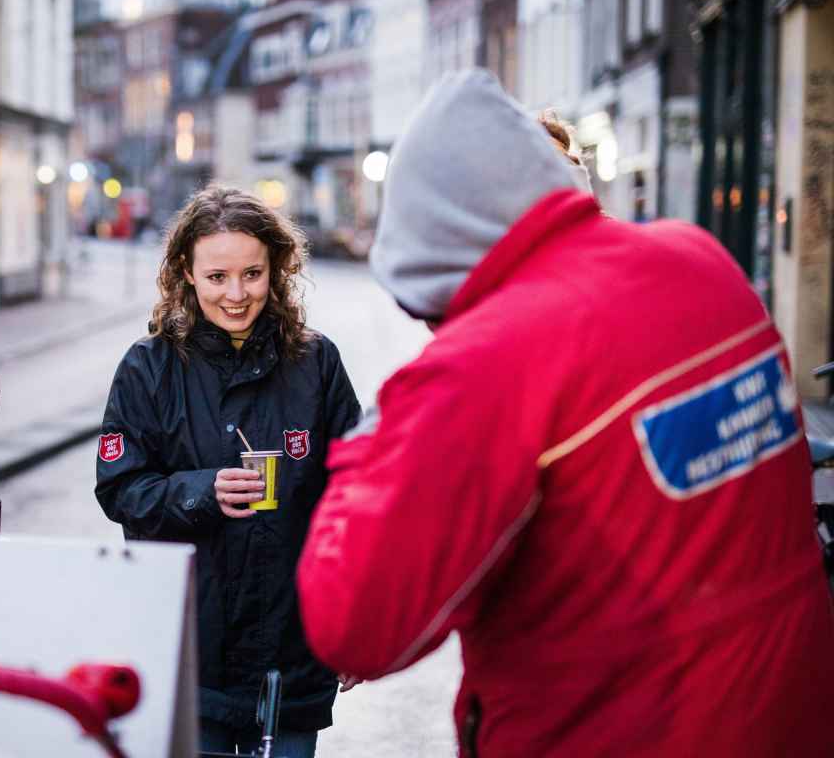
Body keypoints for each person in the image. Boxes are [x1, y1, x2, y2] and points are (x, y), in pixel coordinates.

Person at [296, 70, 834, 756]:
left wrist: (380, 441)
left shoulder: (483, 366)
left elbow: (354, 622)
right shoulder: (702, 260)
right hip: (788, 712)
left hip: (612, 731)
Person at [95, 185, 361, 756]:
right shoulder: (149, 368)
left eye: (252, 274)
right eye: (217, 277)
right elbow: (120, 489)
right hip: (193, 654)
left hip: (292, 657)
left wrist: (354, 622)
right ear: (187, 274)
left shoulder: (316, 364)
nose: (237, 294)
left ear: (277, 270)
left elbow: (356, 498)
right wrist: (199, 491)